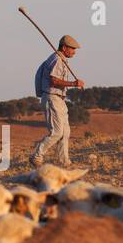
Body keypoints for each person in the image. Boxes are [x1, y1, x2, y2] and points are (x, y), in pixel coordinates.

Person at [30, 34, 85, 167]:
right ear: (65, 47)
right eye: (72, 49)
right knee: (57, 132)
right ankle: (36, 156)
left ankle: (63, 162)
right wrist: (74, 84)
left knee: (65, 132)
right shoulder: (57, 59)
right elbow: (53, 80)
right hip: (52, 98)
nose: (74, 52)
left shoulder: (60, 59)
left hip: (59, 99)